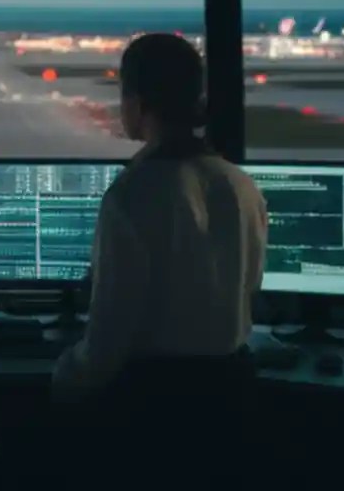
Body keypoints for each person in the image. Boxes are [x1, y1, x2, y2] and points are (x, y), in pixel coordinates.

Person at [51, 33, 267, 462]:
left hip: (151, 411)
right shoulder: (242, 186)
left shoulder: (132, 195)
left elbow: (108, 340)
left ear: (138, 102)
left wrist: (62, 374)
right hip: (230, 404)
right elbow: (251, 288)